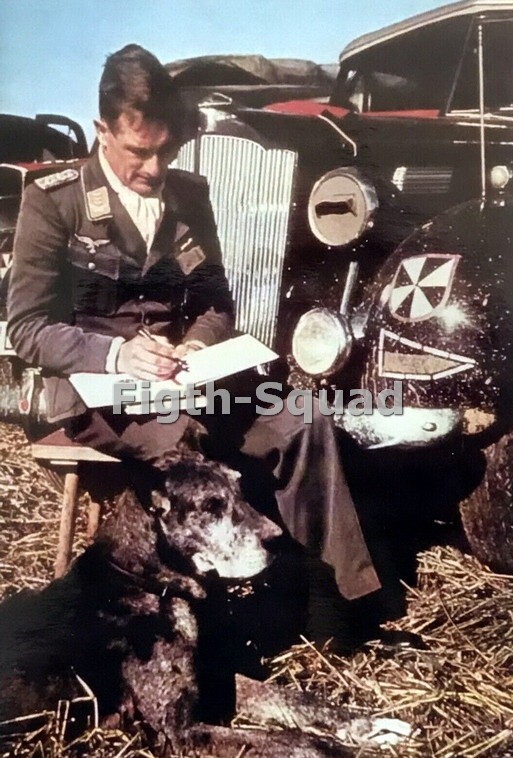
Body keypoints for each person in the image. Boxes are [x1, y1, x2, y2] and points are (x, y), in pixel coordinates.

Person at [7, 44, 380, 612]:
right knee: (187, 444)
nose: (155, 168)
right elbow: (29, 327)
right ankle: (219, 609)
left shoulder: (189, 194)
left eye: (167, 150)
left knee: (305, 421)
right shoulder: (54, 202)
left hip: (190, 377)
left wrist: (197, 346)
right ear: (101, 131)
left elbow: (216, 303)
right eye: (139, 151)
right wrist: (115, 355)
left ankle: (335, 604)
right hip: (100, 390)